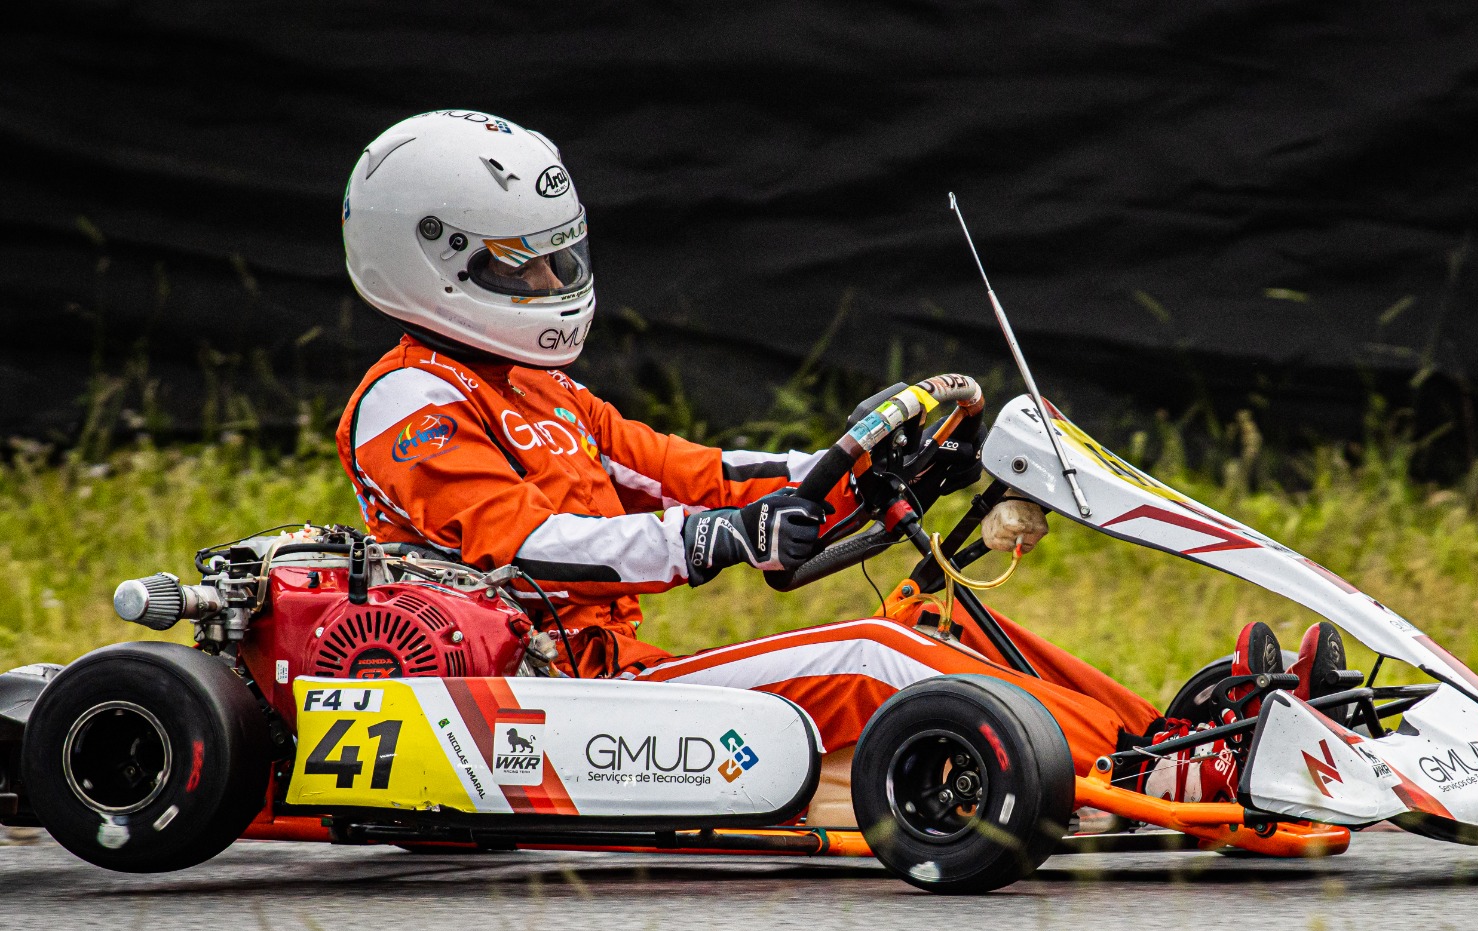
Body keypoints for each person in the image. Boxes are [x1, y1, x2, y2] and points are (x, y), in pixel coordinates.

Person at [336, 110, 1341, 818]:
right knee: (869, 654)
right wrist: (714, 539)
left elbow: (697, 473)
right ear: (433, 260)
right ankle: (1155, 777)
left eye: (564, 258)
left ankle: (1175, 741)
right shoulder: (411, 397)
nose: (557, 284)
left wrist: (855, 466)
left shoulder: (544, 392)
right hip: (536, 703)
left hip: (608, 690)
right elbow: (531, 545)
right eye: (527, 266)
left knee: (932, 621)